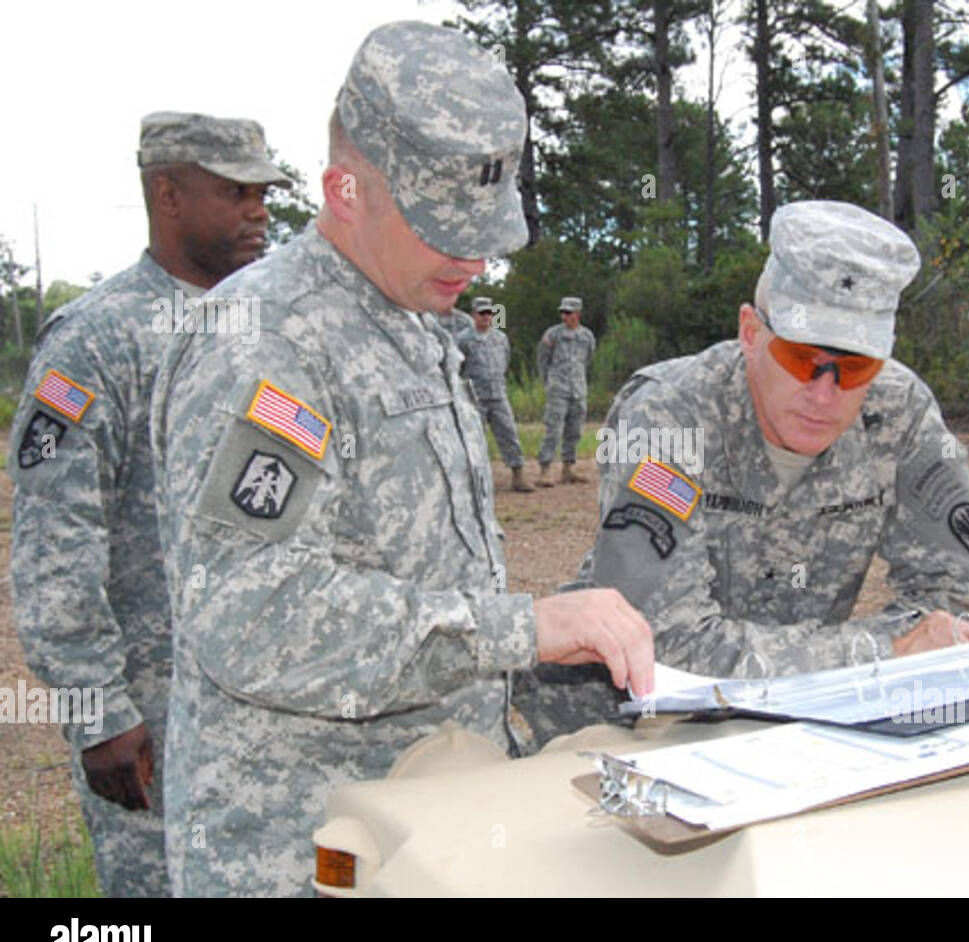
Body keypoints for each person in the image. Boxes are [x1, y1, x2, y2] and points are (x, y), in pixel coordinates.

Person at [149, 22, 653, 897]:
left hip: (419, 829)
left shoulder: (411, 315)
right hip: (297, 851)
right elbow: (250, 616)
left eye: (485, 226)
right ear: (344, 190)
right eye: (441, 225)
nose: (474, 254)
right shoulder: (270, 342)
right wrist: (520, 628)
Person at [514, 201, 969, 746]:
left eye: (856, 367)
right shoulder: (668, 415)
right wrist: (882, 652)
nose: (824, 393)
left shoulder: (899, 412)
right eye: (799, 359)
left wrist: (908, 648)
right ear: (750, 331)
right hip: (627, 727)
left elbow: (965, 592)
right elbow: (669, 643)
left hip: (806, 729)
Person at [8, 111, 290, 897]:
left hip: (271, 703)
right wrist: (99, 710)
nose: (259, 210)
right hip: (154, 718)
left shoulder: (268, 327)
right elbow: (54, 545)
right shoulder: (95, 340)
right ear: (168, 194)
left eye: (263, 191)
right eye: (236, 192)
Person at [456, 296, 532, 492]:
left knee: (509, 433)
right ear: (473, 314)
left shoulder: (500, 338)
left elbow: (504, 362)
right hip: (474, 398)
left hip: (498, 394)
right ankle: (476, 480)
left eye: (489, 313)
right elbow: (457, 368)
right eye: (482, 313)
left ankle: (518, 476)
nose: (486, 316)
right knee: (474, 438)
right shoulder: (462, 339)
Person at [536, 295, 596, 486]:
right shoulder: (553, 335)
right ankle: (544, 470)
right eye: (562, 312)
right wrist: (549, 383)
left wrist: (579, 381)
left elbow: (587, 360)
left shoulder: (586, 336)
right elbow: (542, 361)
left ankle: (568, 469)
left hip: (578, 389)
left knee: (575, 430)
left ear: (577, 314)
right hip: (558, 389)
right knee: (553, 429)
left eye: (568, 312)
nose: (564, 316)